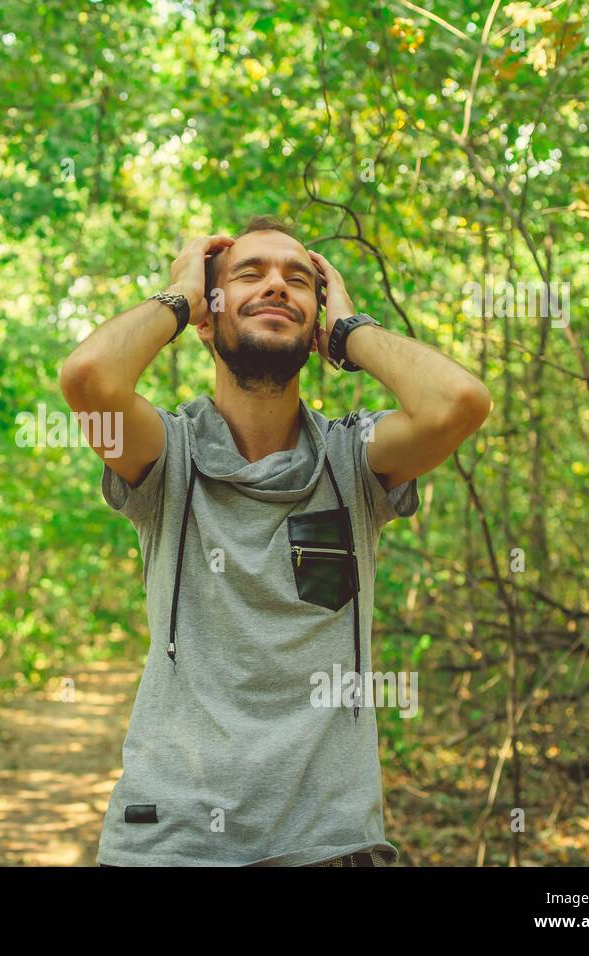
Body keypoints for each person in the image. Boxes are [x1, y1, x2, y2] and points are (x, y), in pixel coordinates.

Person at [60, 216, 491, 866]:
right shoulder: (164, 455)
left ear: (317, 323)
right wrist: (180, 294)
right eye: (249, 274)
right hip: (172, 841)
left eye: (298, 280)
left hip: (331, 841)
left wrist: (350, 330)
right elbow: (88, 378)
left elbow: (459, 401)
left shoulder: (355, 461)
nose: (276, 287)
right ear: (209, 316)